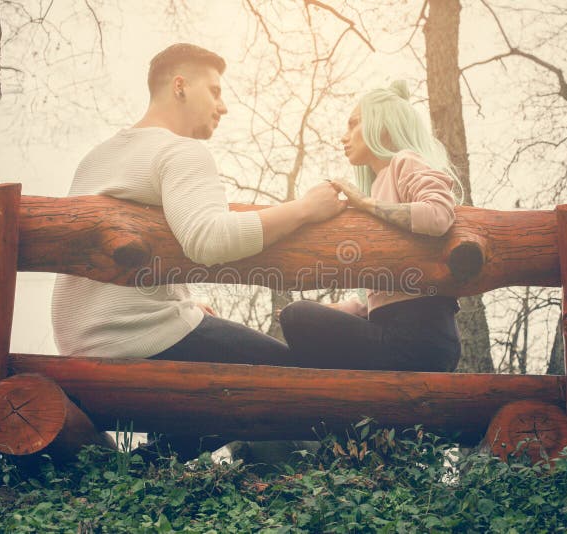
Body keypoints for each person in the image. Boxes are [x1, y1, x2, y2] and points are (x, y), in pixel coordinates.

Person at [51, 43, 346, 457]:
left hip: (82, 336)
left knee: (232, 375)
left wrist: (185, 304)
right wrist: (305, 209)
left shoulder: (98, 157)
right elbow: (208, 238)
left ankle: (145, 471)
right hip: (135, 335)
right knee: (292, 379)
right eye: (215, 90)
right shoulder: (180, 150)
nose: (222, 106)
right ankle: (150, 468)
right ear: (180, 86)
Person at [278, 80, 463, 373]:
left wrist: (365, 204)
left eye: (353, 125)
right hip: (389, 331)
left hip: (421, 338)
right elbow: (372, 303)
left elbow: (439, 214)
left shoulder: (406, 162)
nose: (343, 137)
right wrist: (327, 312)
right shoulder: (378, 186)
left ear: (383, 125)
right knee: (298, 318)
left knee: (297, 318)